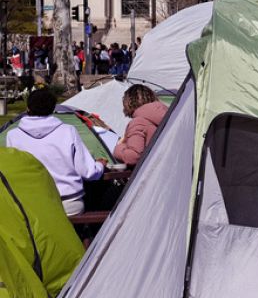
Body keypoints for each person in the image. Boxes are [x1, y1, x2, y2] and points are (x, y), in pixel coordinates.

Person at [5, 88, 106, 216]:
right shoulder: (68, 131)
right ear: (53, 108)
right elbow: (88, 172)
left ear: (28, 108)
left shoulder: (12, 136)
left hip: (30, 206)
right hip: (69, 204)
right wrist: (100, 165)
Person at [113, 84, 168, 166]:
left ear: (128, 102)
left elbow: (133, 157)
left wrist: (118, 148)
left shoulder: (138, 123)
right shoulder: (168, 113)